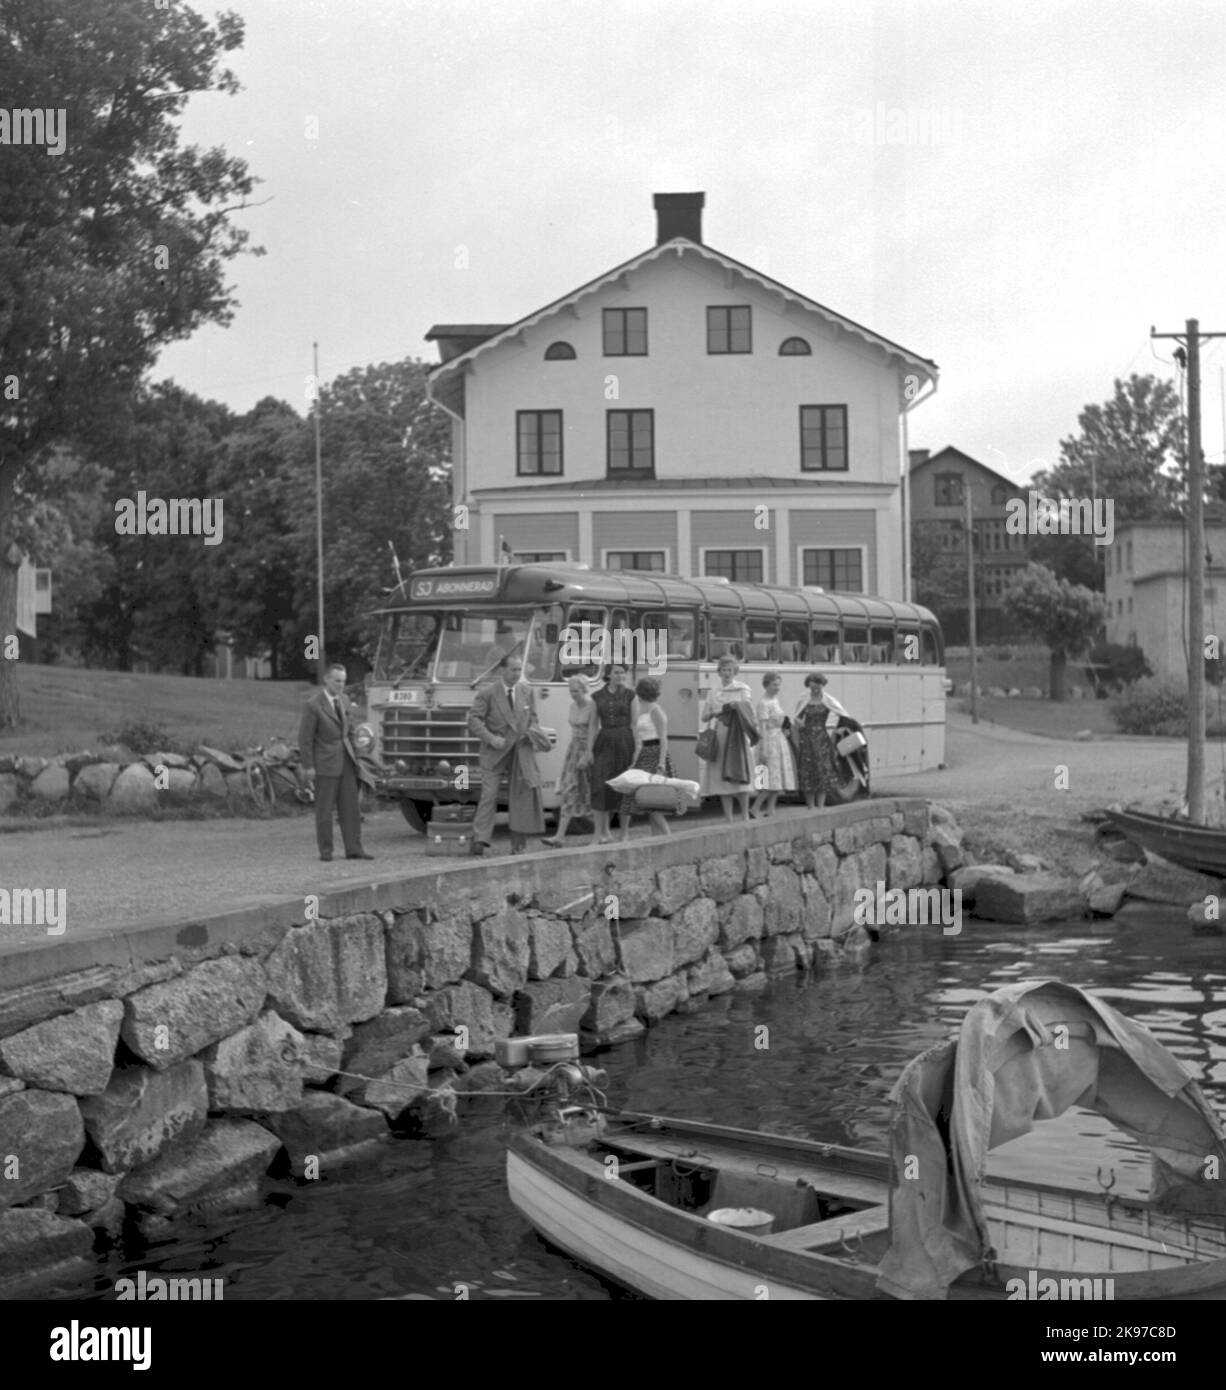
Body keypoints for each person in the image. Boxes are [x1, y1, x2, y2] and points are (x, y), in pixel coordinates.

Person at [467, 654, 546, 855]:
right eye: (513, 670)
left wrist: (532, 733)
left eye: (520, 670)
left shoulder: (527, 691)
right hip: (494, 753)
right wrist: (491, 738)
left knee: (521, 796)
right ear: (502, 670)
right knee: (489, 795)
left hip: (520, 752)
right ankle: (480, 839)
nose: (517, 674)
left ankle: (518, 843)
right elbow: (473, 720)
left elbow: (534, 719)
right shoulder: (487, 693)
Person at [298, 663, 374, 862]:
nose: (341, 685)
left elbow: (350, 731)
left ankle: (354, 849)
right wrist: (309, 767)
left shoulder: (345, 700)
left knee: (351, 808)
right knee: (324, 810)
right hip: (324, 764)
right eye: (337, 680)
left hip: (347, 761)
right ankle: (326, 851)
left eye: (343, 681)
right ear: (327, 680)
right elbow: (305, 739)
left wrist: (357, 757)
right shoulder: (313, 705)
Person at [699, 655, 757, 823]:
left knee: (740, 776)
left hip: (737, 735)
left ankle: (745, 815)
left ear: (735, 671)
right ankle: (728, 818)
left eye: (730, 670)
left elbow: (749, 709)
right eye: (723, 670)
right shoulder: (713, 692)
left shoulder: (742, 689)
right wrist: (717, 712)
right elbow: (704, 717)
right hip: (720, 735)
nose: (726, 673)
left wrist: (736, 706)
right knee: (720, 779)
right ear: (719, 672)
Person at [541, 676, 593, 846]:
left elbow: (594, 731)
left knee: (594, 790)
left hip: (587, 749)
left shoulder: (592, 706)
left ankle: (603, 831)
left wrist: (587, 754)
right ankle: (560, 836)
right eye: (571, 691)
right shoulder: (572, 706)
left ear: (584, 689)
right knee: (569, 788)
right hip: (574, 749)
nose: (573, 694)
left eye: (576, 691)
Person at [620, 677, 673, 840]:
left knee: (650, 800)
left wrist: (662, 763)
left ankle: (667, 836)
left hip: (653, 753)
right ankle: (656, 838)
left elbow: (663, 739)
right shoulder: (637, 707)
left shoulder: (656, 711)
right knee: (641, 798)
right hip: (640, 752)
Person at [588, 663, 635, 844]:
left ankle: (624, 833)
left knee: (625, 787)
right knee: (600, 786)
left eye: (623, 673)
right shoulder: (597, 696)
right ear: (608, 674)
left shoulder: (631, 695)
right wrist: (589, 750)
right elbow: (593, 724)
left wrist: (637, 748)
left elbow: (635, 724)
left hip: (624, 740)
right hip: (604, 740)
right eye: (616, 672)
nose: (620, 676)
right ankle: (600, 833)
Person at [794, 671, 845, 809]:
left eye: (818, 686)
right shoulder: (803, 699)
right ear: (808, 686)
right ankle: (810, 806)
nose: (815, 689)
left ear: (822, 685)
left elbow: (843, 715)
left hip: (822, 738)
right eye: (813, 686)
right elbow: (797, 716)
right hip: (806, 738)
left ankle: (821, 806)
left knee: (821, 770)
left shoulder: (828, 700)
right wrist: (799, 722)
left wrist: (836, 730)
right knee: (808, 771)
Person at [750, 671, 797, 818]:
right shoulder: (763, 704)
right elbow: (762, 726)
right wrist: (763, 747)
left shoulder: (775, 701)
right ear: (767, 685)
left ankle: (770, 810)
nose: (777, 688)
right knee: (767, 778)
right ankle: (755, 808)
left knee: (777, 778)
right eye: (774, 685)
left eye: (778, 685)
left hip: (779, 738)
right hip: (769, 740)